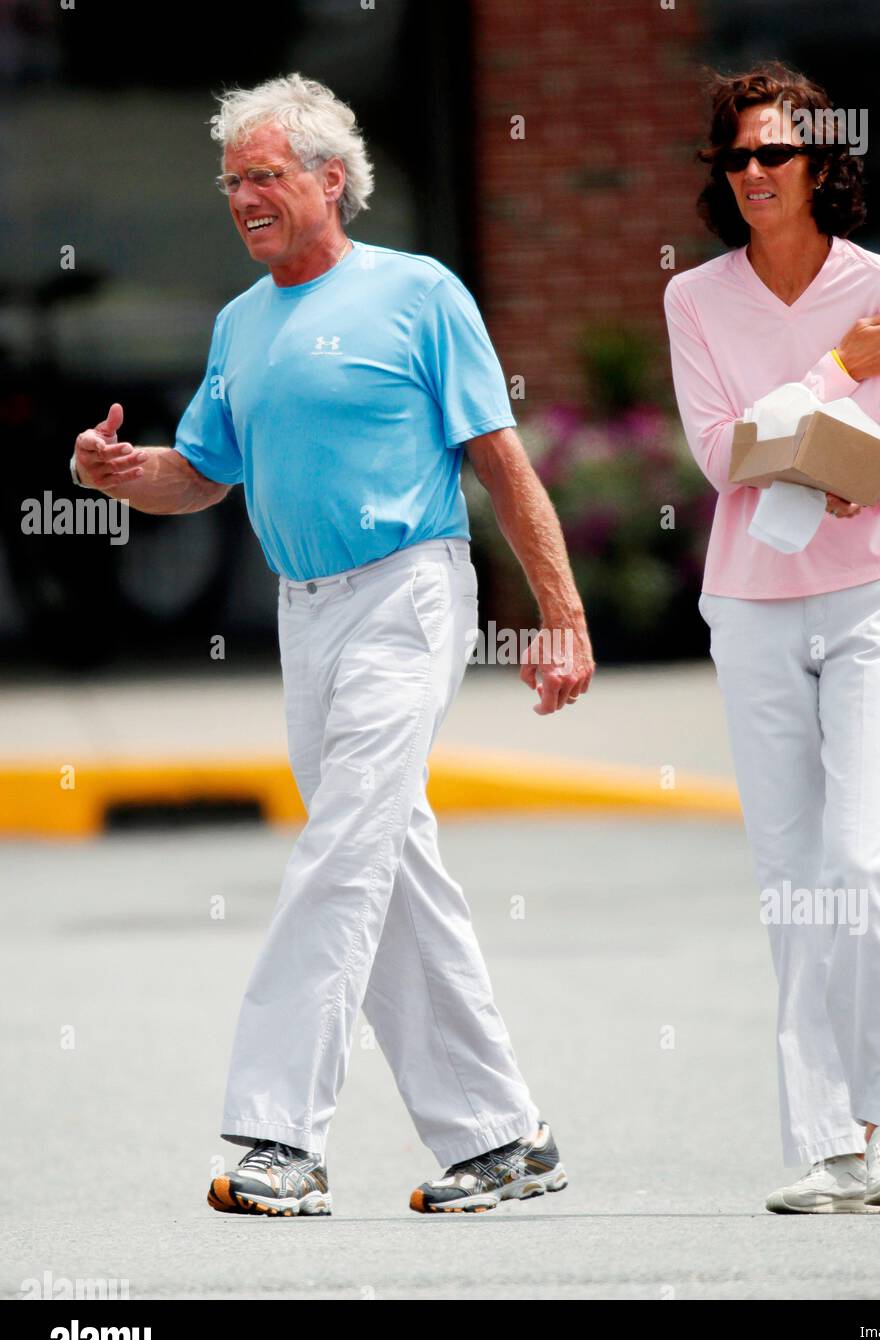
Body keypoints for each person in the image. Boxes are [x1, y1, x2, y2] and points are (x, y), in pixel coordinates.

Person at [70, 72, 594, 1217]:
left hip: (408, 593)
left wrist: (559, 614)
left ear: (330, 180)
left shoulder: (417, 293)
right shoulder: (238, 325)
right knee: (391, 867)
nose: (243, 197)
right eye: (231, 181)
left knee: (340, 852)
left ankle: (280, 1137)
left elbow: (502, 465)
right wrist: (118, 475)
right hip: (304, 612)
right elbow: (200, 476)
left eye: (264, 175)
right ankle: (503, 1135)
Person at [664, 63, 880, 1213]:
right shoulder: (692, 299)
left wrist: (879, 472)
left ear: (818, 163)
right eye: (733, 157)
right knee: (791, 878)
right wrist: (837, 374)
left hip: (876, 595)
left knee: (861, 857)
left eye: (772, 155)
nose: (750, 174)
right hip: (749, 602)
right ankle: (823, 1141)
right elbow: (720, 455)